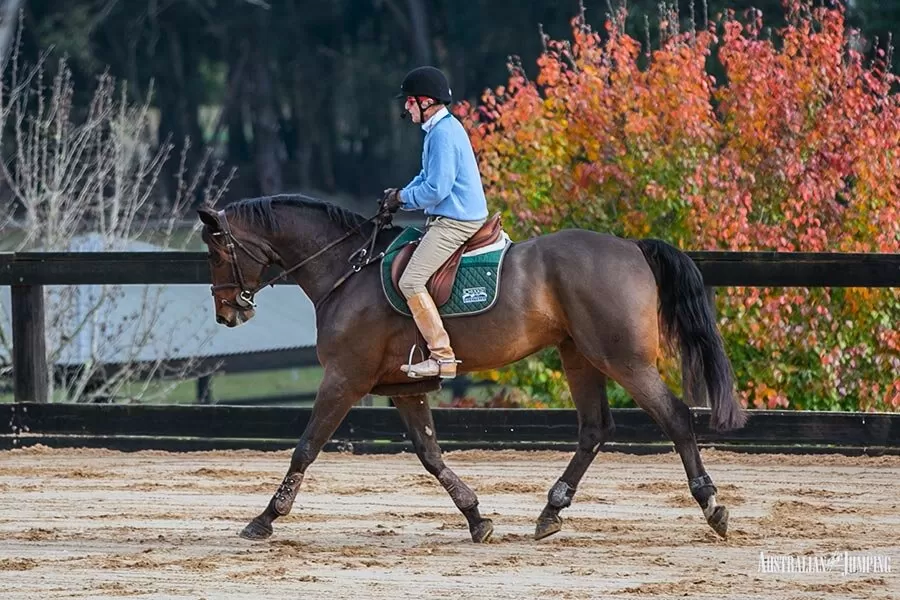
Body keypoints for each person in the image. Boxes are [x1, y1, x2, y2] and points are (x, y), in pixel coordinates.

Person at [382, 65, 489, 379]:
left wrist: (402, 199)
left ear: (425, 101)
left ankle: (442, 356)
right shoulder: (439, 131)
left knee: (410, 281)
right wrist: (400, 193)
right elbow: (424, 179)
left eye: (410, 101)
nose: (406, 107)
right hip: (451, 216)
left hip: (455, 222)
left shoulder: (443, 134)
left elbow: (436, 190)